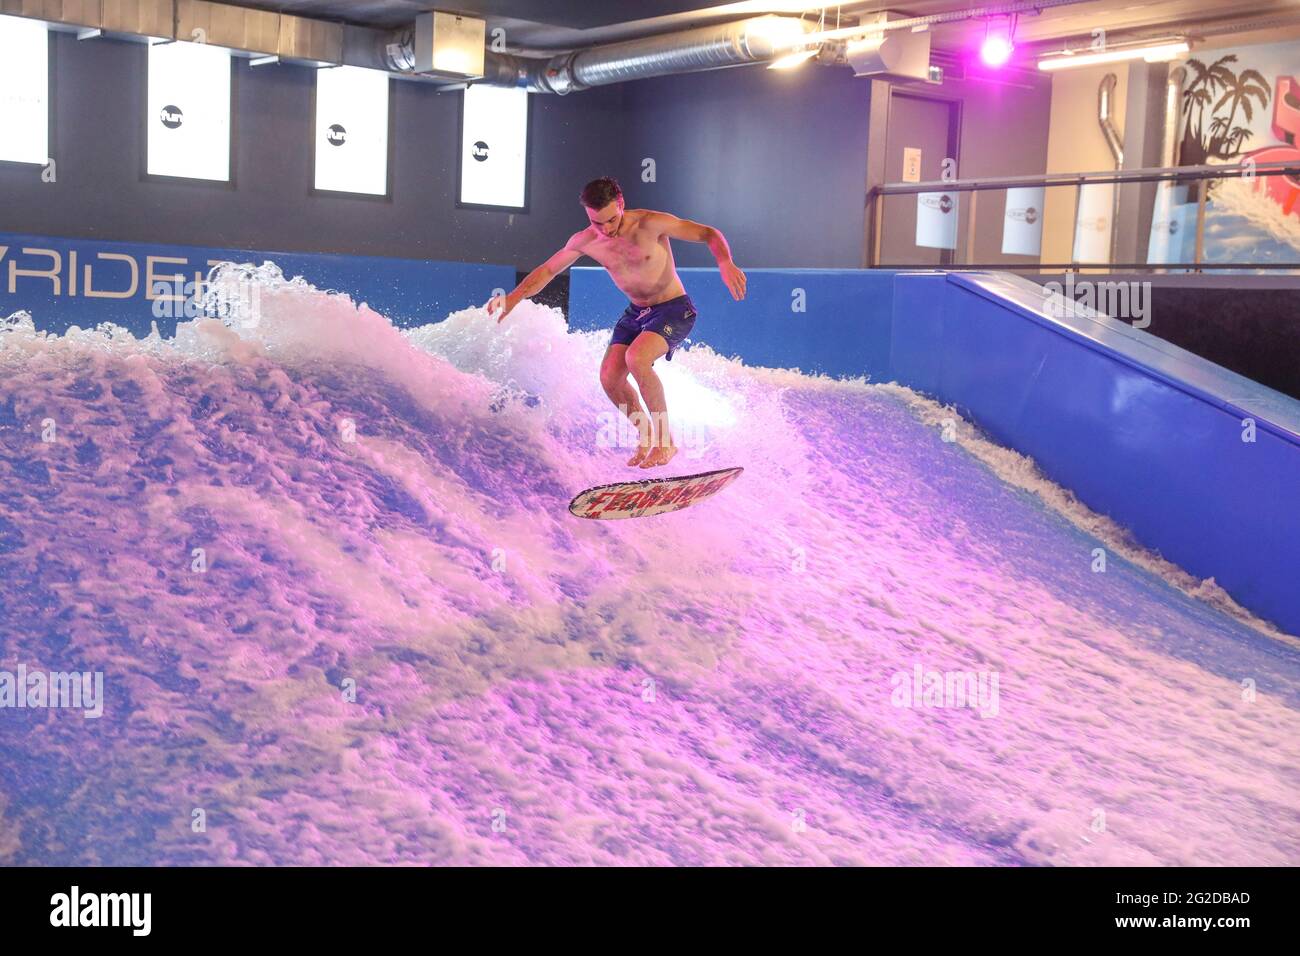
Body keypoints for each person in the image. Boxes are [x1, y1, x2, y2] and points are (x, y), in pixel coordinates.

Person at [487, 177, 746, 468]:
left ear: (621, 203)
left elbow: (708, 233)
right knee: (610, 377)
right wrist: (513, 298)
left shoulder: (651, 223)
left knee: (637, 358)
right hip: (635, 313)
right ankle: (646, 435)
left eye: (611, 219)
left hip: (673, 309)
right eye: (598, 223)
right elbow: (548, 270)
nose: (607, 229)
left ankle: (665, 442)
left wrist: (725, 262)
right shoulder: (585, 240)